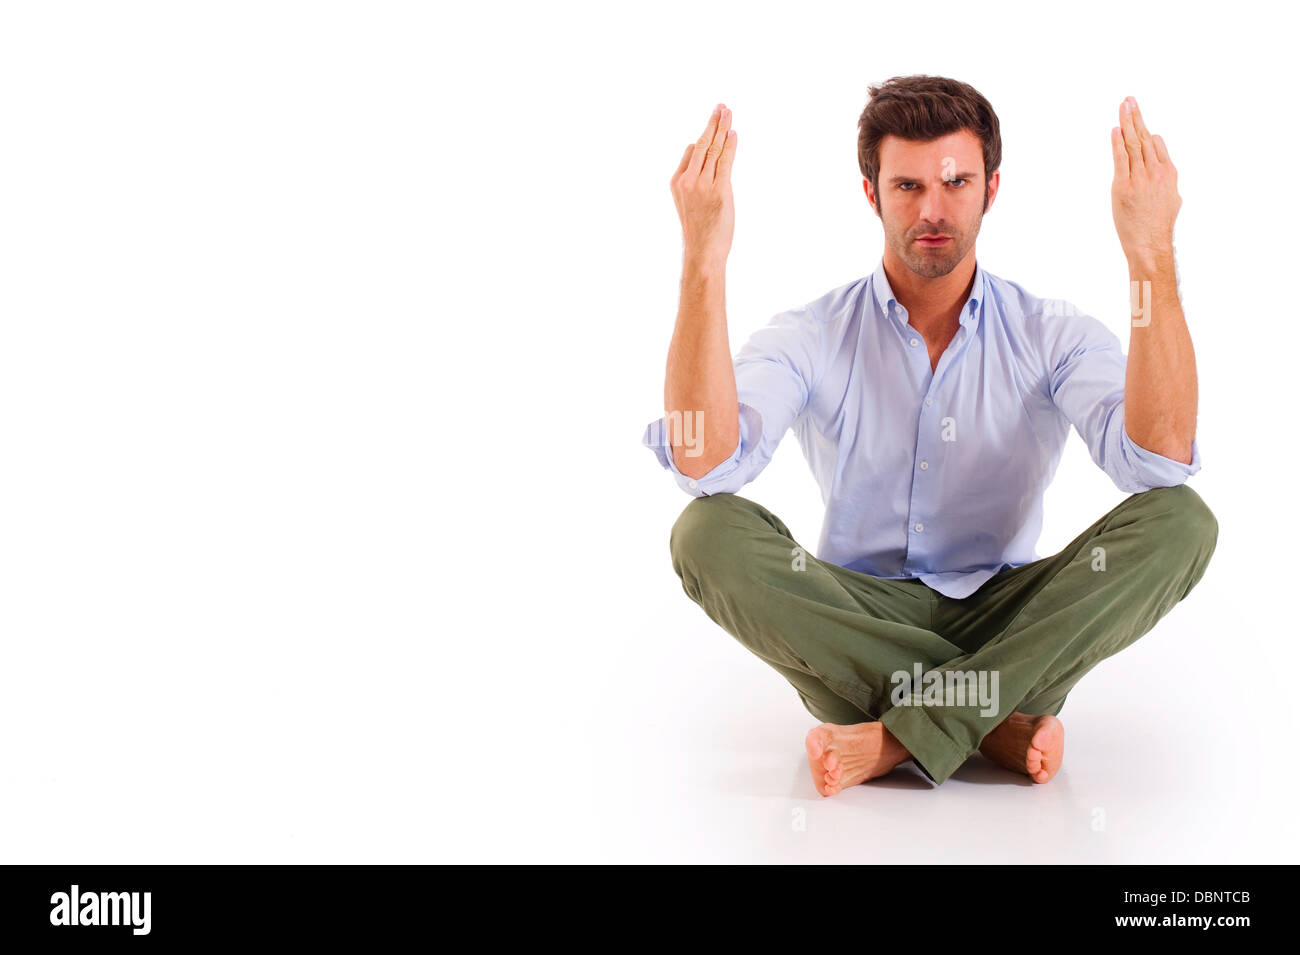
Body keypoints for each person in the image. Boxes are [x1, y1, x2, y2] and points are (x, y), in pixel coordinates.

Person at [641, 75, 1217, 796]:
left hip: (1007, 612)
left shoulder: (1050, 332)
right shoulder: (812, 333)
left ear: (991, 189)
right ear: (871, 194)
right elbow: (703, 462)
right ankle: (991, 713)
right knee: (705, 534)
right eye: (907, 186)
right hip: (857, 613)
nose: (933, 209)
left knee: (1181, 521)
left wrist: (1150, 254)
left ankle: (898, 735)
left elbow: (1158, 461)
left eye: (956, 182)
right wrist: (703, 260)